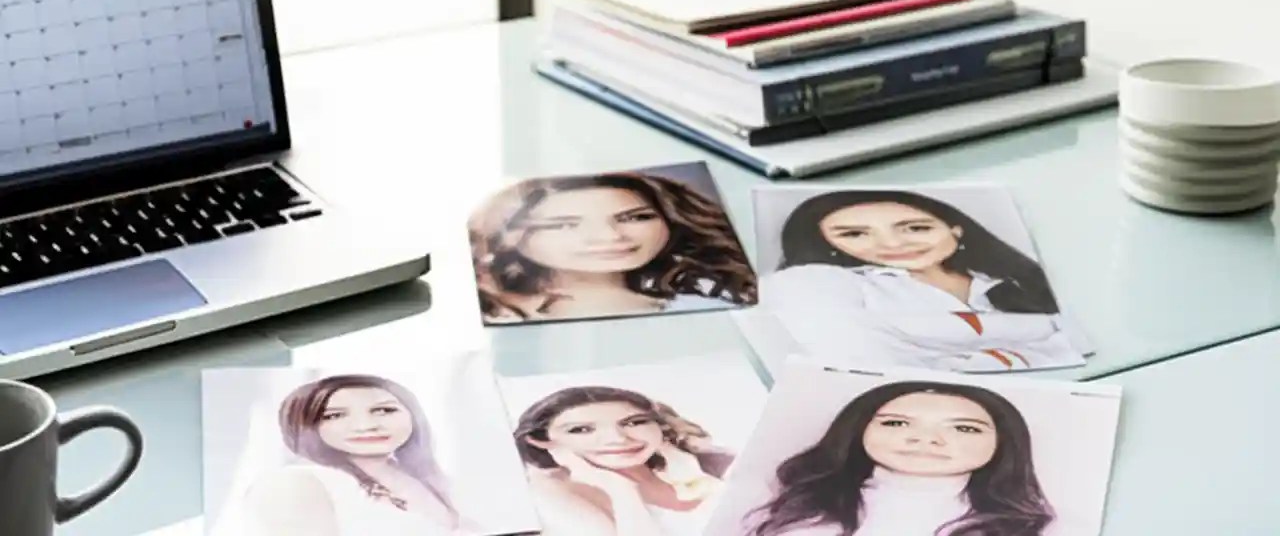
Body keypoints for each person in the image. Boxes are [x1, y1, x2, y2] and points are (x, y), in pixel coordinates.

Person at [759, 190, 1082, 371]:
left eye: (915, 228)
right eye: (855, 234)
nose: (894, 244)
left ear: (955, 230)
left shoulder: (1020, 279)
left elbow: (1082, 344)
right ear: (827, 244)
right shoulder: (821, 285)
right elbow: (866, 363)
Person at [743, 380, 1056, 536]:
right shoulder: (786, 505)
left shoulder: (1030, 525)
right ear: (857, 427)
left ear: (1004, 442)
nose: (925, 439)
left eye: (964, 428)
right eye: (897, 423)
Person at [468, 171, 757, 323]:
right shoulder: (493, 318)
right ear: (507, 235)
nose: (609, 236)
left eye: (634, 218)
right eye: (564, 224)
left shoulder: (711, 308)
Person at [232, 374, 469, 536]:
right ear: (302, 423)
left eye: (384, 410)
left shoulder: (430, 479)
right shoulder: (296, 483)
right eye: (335, 415)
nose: (366, 425)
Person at [513, 386, 733, 536]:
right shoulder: (551, 495)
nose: (618, 439)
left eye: (634, 423)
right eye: (581, 430)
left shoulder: (703, 462)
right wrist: (621, 491)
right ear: (542, 441)